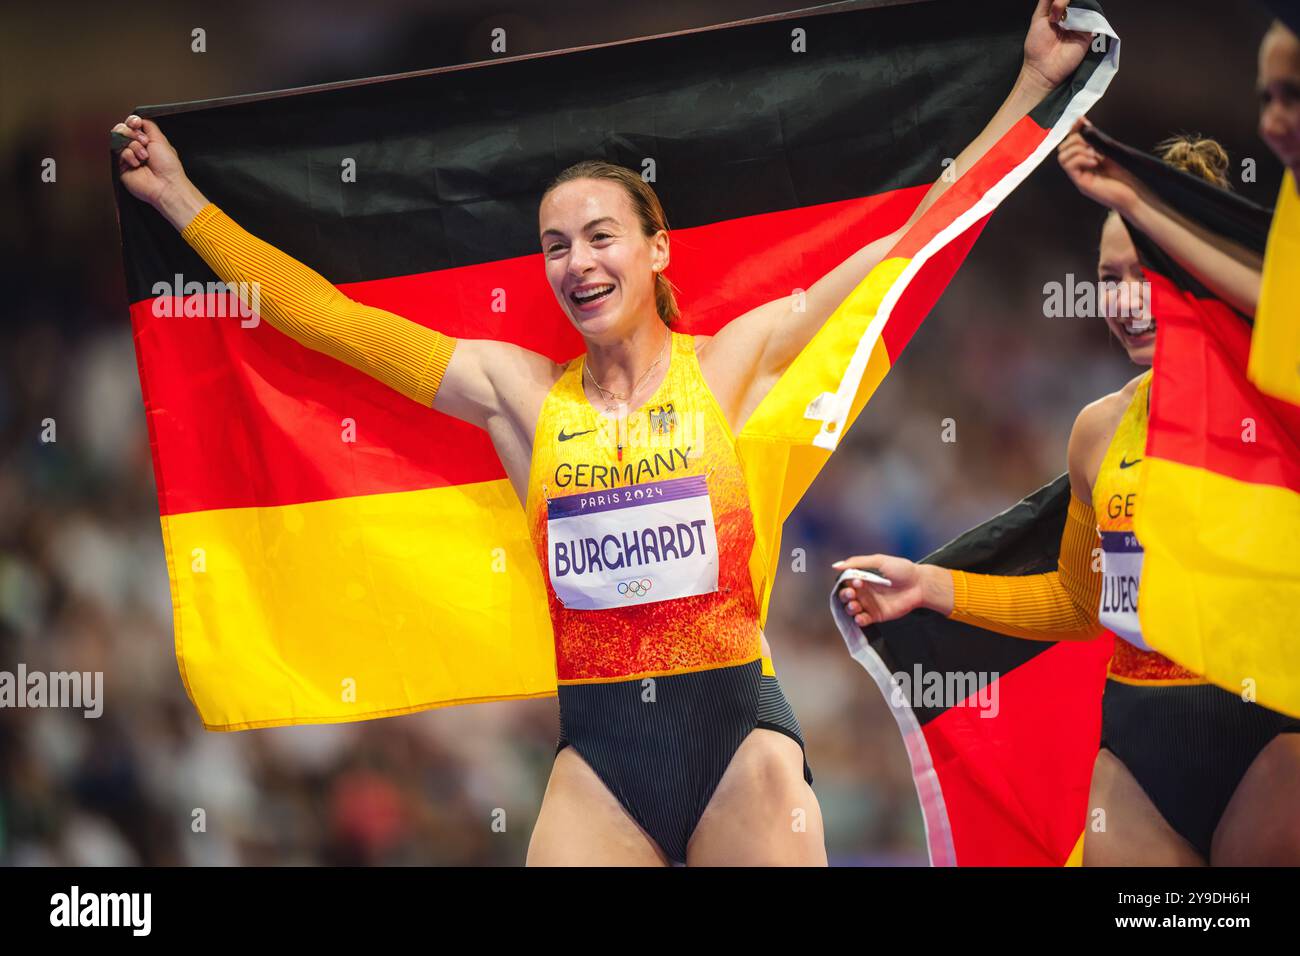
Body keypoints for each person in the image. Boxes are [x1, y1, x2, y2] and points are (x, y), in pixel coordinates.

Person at [115, 1, 1091, 866]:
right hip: (599, 753)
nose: (574, 262)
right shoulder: (518, 394)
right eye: (552, 245)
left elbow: (912, 240)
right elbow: (333, 320)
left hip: (734, 736)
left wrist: (1033, 88)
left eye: (598, 235)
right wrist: (180, 202)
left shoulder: (733, 360)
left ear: (655, 248)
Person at [835, 125, 1300, 866]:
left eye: (1148, 272)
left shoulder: (1279, 403)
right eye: (1109, 277)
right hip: (1137, 736)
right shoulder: (1099, 429)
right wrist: (931, 586)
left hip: (1268, 728)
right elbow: (1082, 608)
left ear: (1206, 270)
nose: (1124, 300)